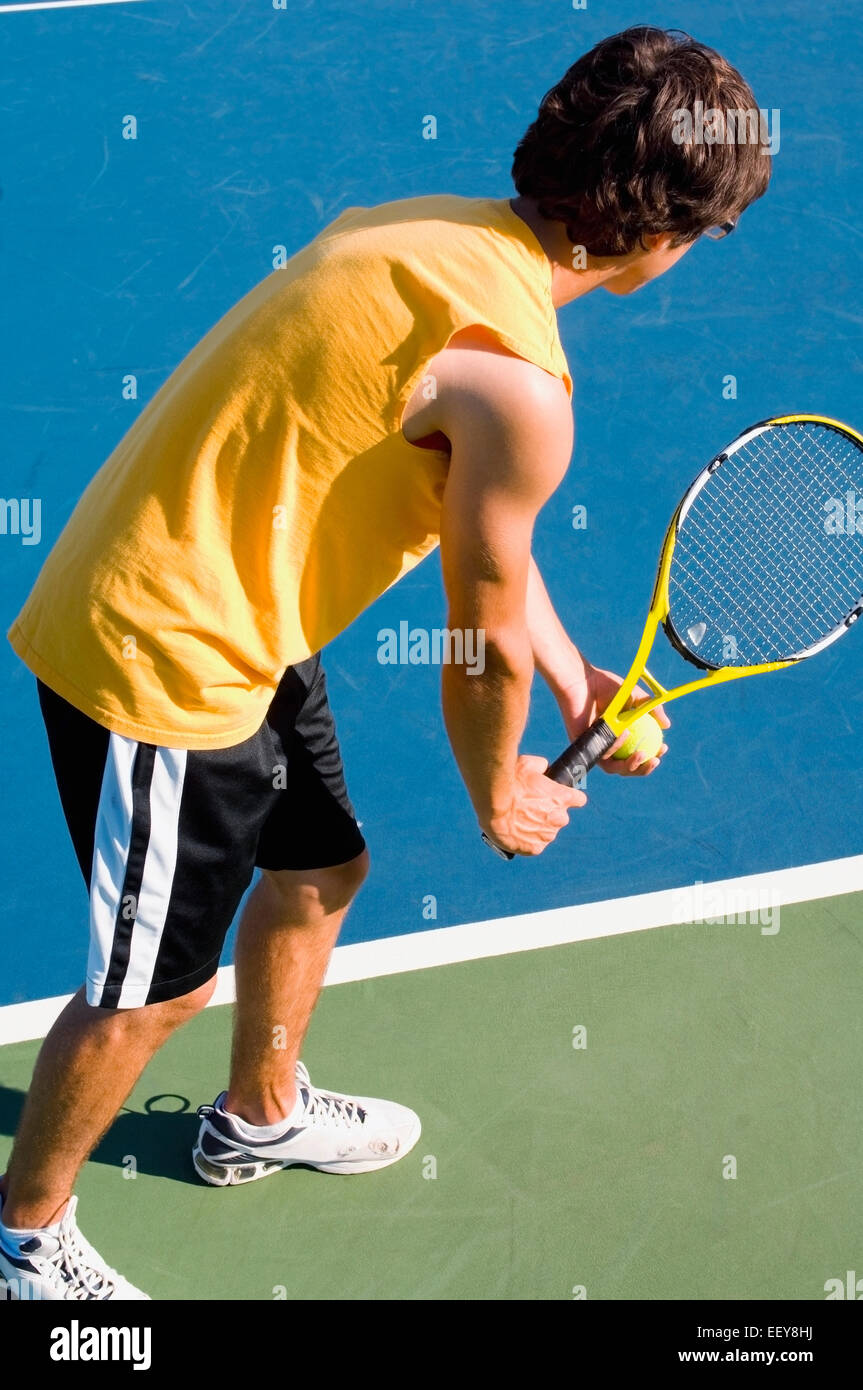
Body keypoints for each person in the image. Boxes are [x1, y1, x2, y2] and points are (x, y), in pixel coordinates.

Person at [0, 26, 770, 1300]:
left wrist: (577, 683)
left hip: (239, 603)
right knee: (150, 990)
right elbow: (473, 648)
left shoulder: (435, 229)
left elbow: (491, 541)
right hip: (164, 652)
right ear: (663, 238)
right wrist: (497, 792)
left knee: (319, 865)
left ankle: (256, 1113)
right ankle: (26, 1239)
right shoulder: (523, 388)